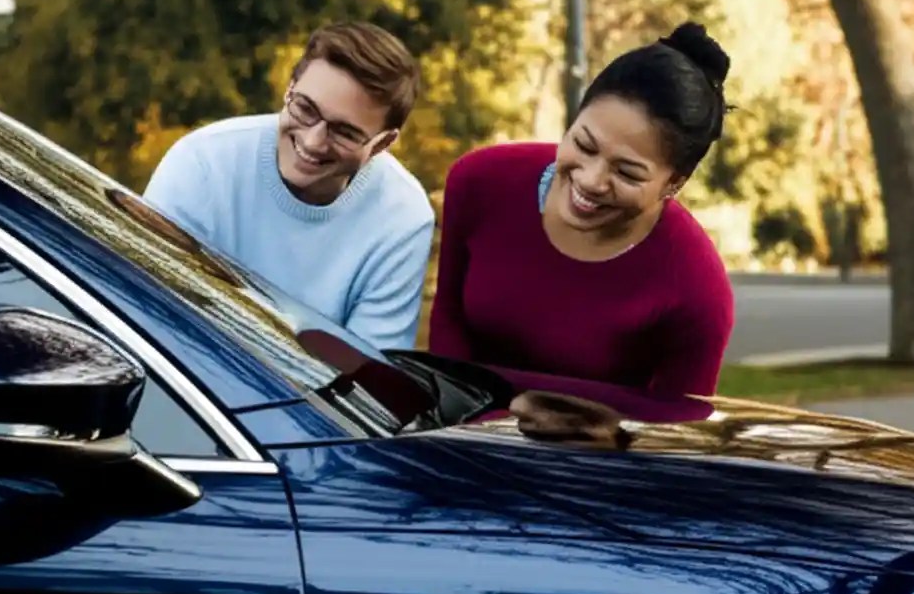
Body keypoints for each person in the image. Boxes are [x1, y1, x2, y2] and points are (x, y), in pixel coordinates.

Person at [428, 21, 736, 424]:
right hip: (457, 442)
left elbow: (675, 433)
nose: (591, 180)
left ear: (674, 183)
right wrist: (465, 424)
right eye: (584, 145)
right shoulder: (480, 182)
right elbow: (449, 320)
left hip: (588, 471)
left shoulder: (696, 289)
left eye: (627, 173)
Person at [142, 22, 436, 351]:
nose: (313, 141)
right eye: (305, 109)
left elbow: (370, 378)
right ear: (289, 88)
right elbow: (147, 311)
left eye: (345, 132)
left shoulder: (402, 216)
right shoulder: (203, 163)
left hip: (314, 400)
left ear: (381, 145)